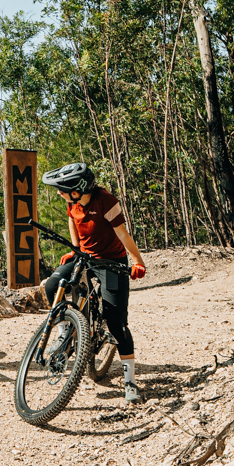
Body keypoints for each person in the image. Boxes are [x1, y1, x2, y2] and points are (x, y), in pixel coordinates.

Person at [39, 162, 149, 405]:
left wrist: (137, 261)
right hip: (84, 256)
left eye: (62, 189)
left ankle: (130, 381)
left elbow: (122, 233)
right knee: (52, 286)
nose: (58, 193)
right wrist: (75, 248)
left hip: (111, 262)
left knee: (116, 323)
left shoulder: (105, 201)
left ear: (77, 190)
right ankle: (64, 332)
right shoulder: (73, 201)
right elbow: (72, 219)